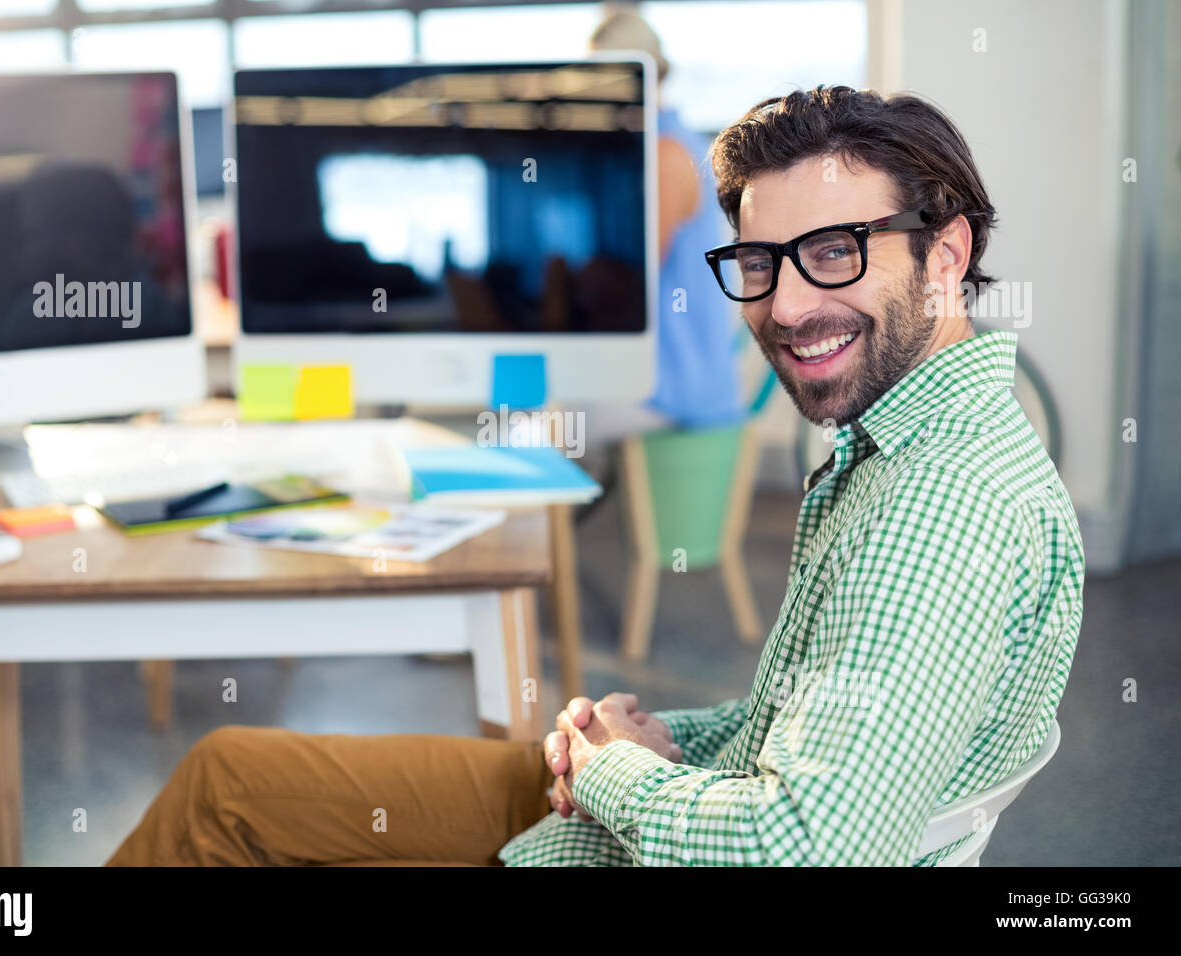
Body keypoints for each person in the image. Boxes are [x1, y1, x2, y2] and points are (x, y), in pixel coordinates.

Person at [106, 85, 1084, 867]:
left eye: (832, 253)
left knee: (226, 803)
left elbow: (805, 846)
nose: (785, 305)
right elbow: (800, 731)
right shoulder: (912, 439)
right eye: (758, 260)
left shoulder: (940, 504)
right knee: (230, 768)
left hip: (631, 843)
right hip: (663, 810)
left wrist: (609, 772)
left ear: (943, 255)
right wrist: (640, 740)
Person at [579, 7, 744, 450]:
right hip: (662, 384)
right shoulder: (653, 143)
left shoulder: (667, 153)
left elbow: (630, 281)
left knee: (538, 423)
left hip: (676, 395)